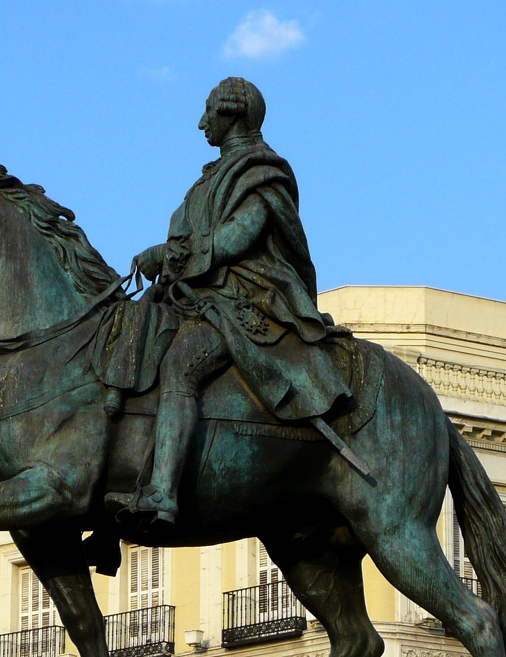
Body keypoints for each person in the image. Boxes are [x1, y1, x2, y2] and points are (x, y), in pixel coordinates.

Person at [105, 77, 350, 524]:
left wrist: (168, 255)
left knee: (180, 364)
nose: (202, 124)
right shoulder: (210, 177)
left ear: (231, 113)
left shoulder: (261, 173)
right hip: (194, 294)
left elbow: (238, 238)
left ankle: (162, 492)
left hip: (246, 296)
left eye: (208, 112)